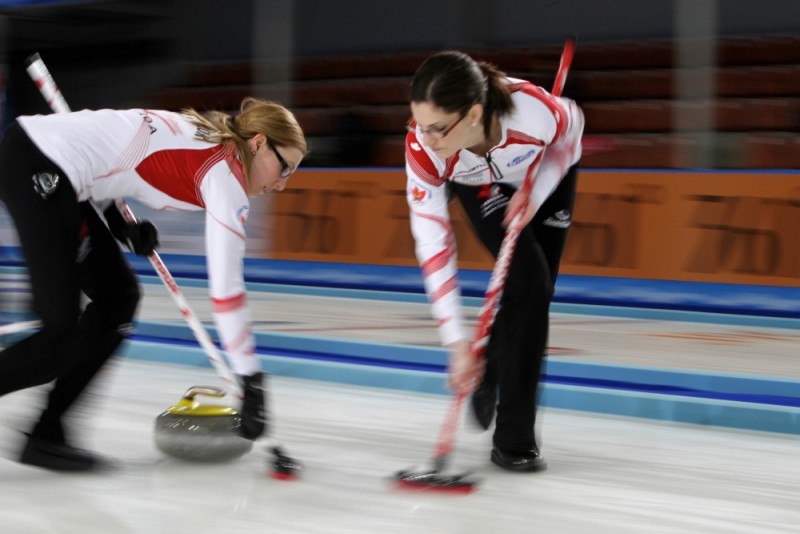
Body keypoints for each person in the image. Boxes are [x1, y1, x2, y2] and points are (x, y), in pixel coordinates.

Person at [0, 97, 307, 471]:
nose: (282, 184)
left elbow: (112, 149)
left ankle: (47, 435)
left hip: (60, 169)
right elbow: (227, 292)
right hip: (39, 163)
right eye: (285, 168)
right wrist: (250, 376)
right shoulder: (224, 176)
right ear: (258, 143)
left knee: (118, 298)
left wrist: (120, 224)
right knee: (57, 339)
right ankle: (46, 433)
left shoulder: (213, 139)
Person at [405, 51, 584, 472]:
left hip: (547, 172)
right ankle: (514, 439)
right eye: (419, 124)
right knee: (530, 279)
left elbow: (570, 140)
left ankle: (492, 368)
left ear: (474, 114)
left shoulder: (535, 111)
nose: (424, 138)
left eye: (437, 128)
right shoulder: (426, 150)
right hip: (477, 180)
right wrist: (456, 342)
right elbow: (434, 246)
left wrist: (535, 194)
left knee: (535, 292)